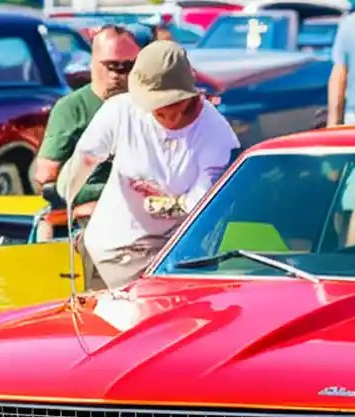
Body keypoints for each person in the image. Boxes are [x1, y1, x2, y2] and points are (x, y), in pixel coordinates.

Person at [58, 40, 241, 290]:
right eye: (155, 107)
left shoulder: (216, 133)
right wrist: (69, 188)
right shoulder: (121, 110)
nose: (164, 114)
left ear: (188, 96)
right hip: (107, 253)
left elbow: (203, 204)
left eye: (171, 105)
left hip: (172, 260)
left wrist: (162, 202)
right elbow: (85, 158)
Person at [33, 25, 140, 290]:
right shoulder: (73, 108)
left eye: (128, 66)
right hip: (92, 223)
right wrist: (94, 201)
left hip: (148, 219)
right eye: (111, 66)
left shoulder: (146, 105)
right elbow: (46, 178)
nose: (120, 74)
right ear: (93, 63)